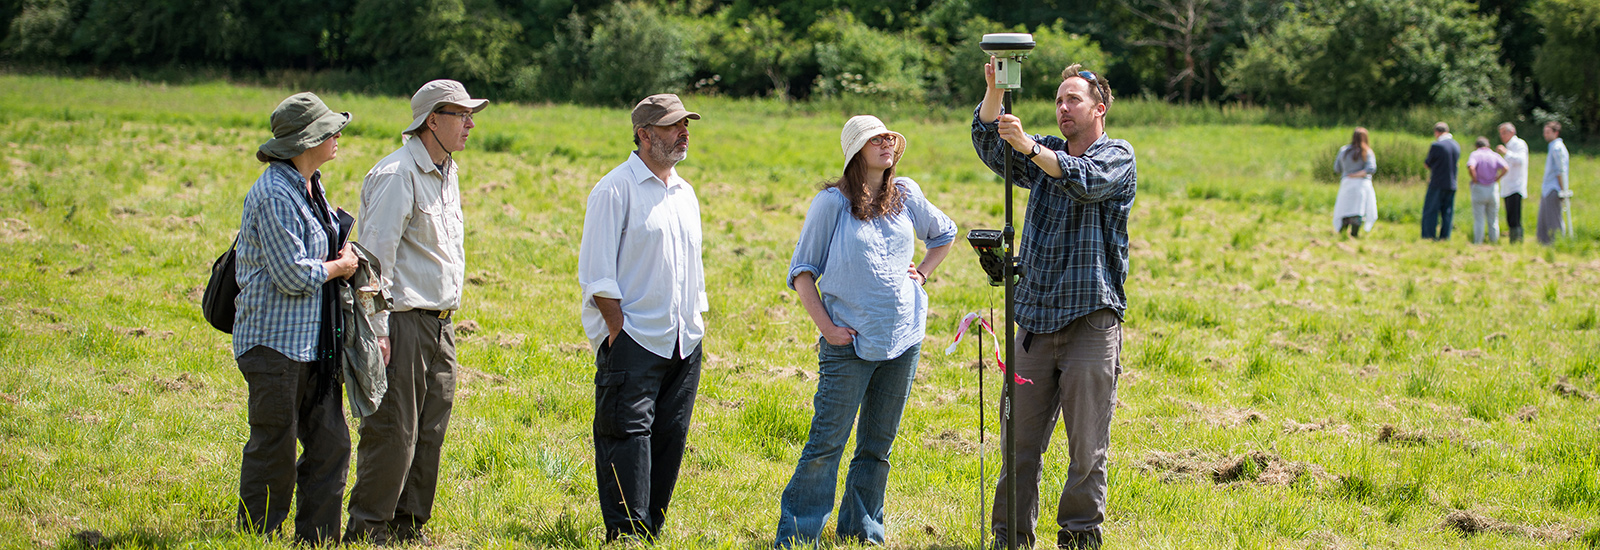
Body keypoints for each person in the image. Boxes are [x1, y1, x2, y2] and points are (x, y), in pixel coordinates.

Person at [972, 60, 1136, 550]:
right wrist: (995, 91)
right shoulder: (1045, 152)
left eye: (1074, 100)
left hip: (1091, 320)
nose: (1063, 107)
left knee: (1087, 446)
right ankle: (1011, 537)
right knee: (1018, 443)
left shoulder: (1117, 156)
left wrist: (1029, 146)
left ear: (1099, 109)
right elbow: (988, 142)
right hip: (1035, 321)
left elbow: (1083, 180)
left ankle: (1080, 535)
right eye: (1059, 100)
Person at [774, 115, 957, 548]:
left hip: (903, 339)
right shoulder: (831, 203)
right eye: (876, 140)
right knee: (826, 444)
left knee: (877, 446)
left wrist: (922, 274)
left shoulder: (905, 194)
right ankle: (798, 536)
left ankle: (862, 531)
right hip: (849, 343)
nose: (887, 144)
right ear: (856, 150)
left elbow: (945, 234)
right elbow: (802, 272)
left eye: (890, 138)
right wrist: (828, 329)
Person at [344, 79, 488, 545]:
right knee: (394, 430)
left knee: (430, 430)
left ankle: (407, 527)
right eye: (461, 115)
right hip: (402, 322)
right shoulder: (396, 174)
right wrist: (377, 329)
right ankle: (368, 530)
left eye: (471, 115)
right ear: (432, 120)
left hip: (441, 324)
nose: (470, 124)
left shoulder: (448, 171)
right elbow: (374, 261)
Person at [577, 93, 707, 542]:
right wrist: (619, 332)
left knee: (671, 435)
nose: (683, 133)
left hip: (684, 340)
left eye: (685, 125)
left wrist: (696, 322)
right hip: (634, 338)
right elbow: (597, 276)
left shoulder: (685, 193)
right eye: (673, 126)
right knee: (626, 435)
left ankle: (652, 529)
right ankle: (627, 534)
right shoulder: (614, 190)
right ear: (644, 135)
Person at [232, 92, 358, 544]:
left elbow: (314, 251)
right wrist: (340, 267)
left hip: (313, 345)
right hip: (274, 346)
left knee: (331, 445)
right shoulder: (274, 194)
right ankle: (256, 537)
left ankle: (316, 540)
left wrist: (341, 248)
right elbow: (291, 275)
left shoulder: (311, 184)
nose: (337, 135)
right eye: (329, 130)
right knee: (274, 449)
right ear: (307, 141)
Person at [1332, 127, 1378, 237]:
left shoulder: (1344, 151)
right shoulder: (1367, 152)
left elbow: (1337, 168)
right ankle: (1354, 234)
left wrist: (1349, 173)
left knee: (1345, 208)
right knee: (1358, 209)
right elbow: (1371, 169)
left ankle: (1342, 233)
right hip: (1361, 184)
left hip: (1347, 183)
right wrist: (1357, 174)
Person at [1421, 122, 1461, 240]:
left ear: (1436, 132)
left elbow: (1427, 164)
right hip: (1452, 183)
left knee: (1431, 210)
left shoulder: (1436, 145)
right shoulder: (1456, 145)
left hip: (1437, 183)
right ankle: (1445, 236)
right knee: (1447, 211)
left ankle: (1429, 236)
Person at [1466, 136, 1509, 244]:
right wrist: (1498, 178)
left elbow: (1471, 167)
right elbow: (1505, 167)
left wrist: (1474, 179)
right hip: (1492, 188)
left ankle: (1478, 242)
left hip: (1479, 187)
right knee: (1493, 218)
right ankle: (1494, 242)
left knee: (1479, 219)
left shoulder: (1475, 154)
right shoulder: (1494, 155)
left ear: (1476, 146)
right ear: (1488, 145)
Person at [1537, 121, 1571, 245]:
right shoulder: (1552, 147)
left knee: (1553, 219)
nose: (1545, 135)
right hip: (1547, 188)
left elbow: (1560, 171)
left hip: (1553, 188)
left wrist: (1563, 190)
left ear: (1556, 133)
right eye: (1544, 132)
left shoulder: (1557, 148)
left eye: (1548, 132)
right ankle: (1544, 244)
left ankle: (1556, 243)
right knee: (1544, 219)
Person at [1496, 123, 1530, 243]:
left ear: (1512, 132)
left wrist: (1506, 152)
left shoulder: (1519, 144)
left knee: (1515, 216)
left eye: (1504, 133)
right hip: (1508, 185)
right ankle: (1513, 240)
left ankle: (1517, 240)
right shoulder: (1509, 146)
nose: (1502, 136)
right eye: (1500, 134)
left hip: (1515, 185)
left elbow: (1520, 160)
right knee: (1510, 215)